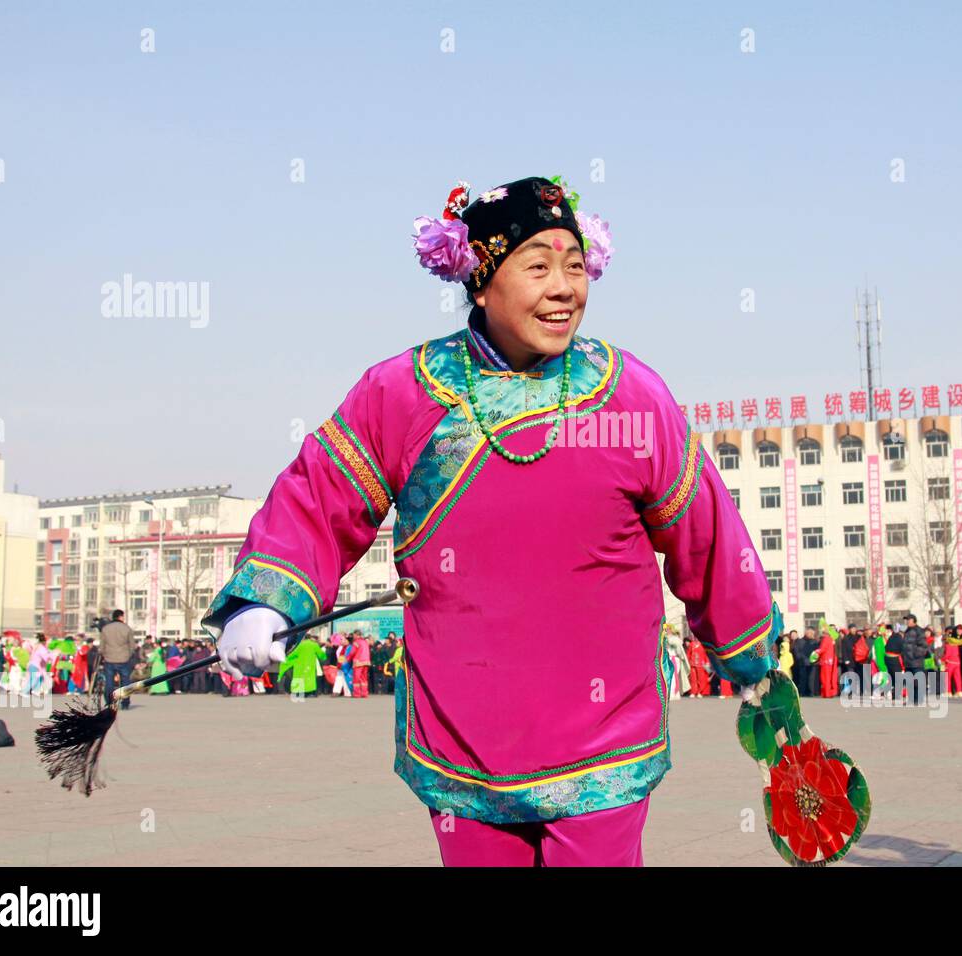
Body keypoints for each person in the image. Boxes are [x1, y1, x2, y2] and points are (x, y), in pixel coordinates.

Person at [204, 176, 782, 867]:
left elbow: (707, 532)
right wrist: (267, 599)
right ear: (481, 281)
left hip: (606, 732)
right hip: (463, 732)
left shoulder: (630, 395)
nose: (564, 287)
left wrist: (750, 658)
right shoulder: (404, 390)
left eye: (575, 264)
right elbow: (320, 496)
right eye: (538, 266)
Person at [98, 611, 136, 709]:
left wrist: (102, 654)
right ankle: (125, 702)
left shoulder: (105, 629)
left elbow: (102, 645)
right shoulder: (126, 628)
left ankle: (110, 702)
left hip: (109, 659)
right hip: (124, 659)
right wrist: (129, 655)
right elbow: (132, 646)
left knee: (109, 682)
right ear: (120, 617)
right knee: (125, 682)